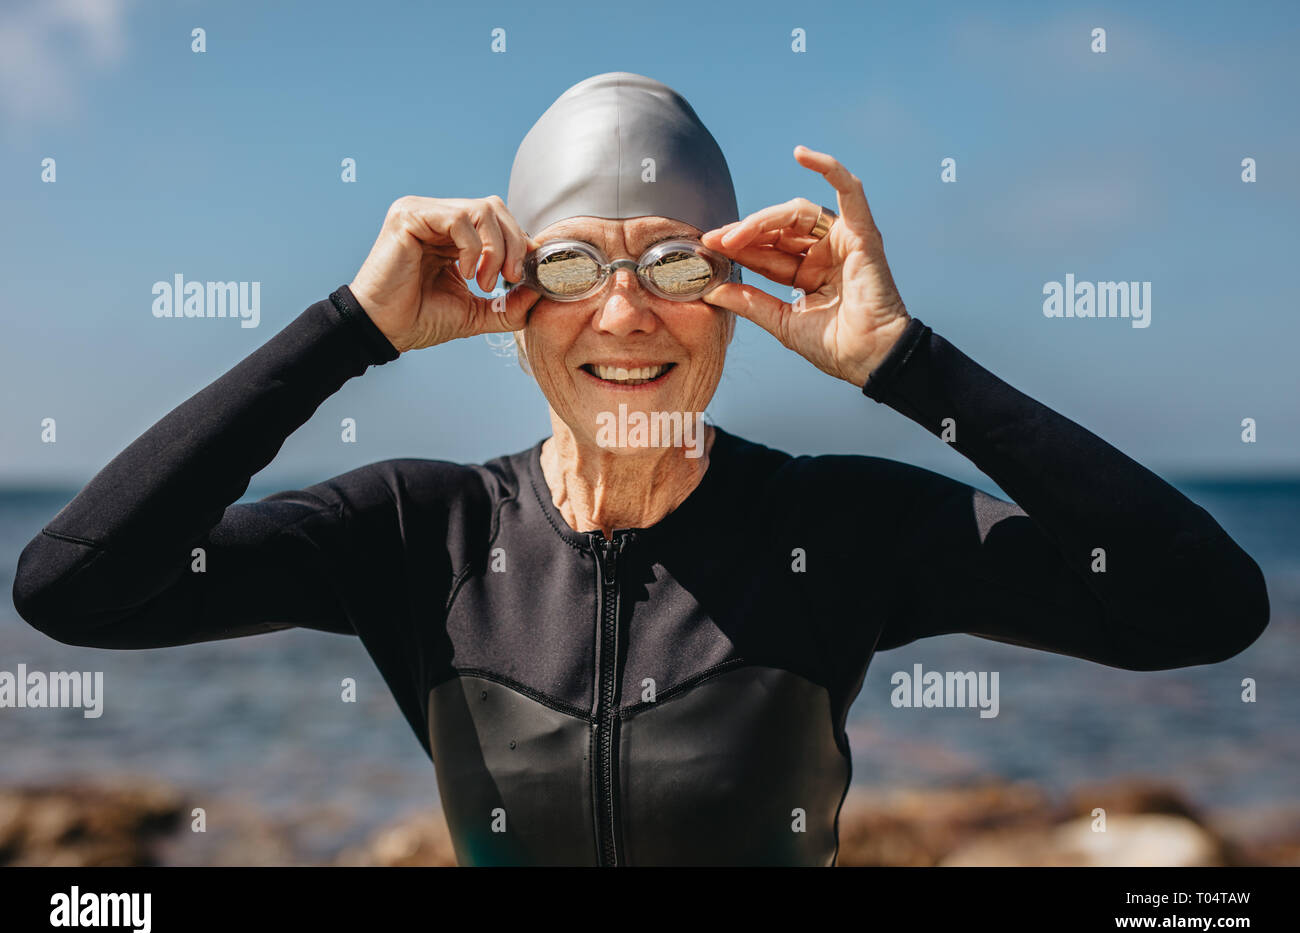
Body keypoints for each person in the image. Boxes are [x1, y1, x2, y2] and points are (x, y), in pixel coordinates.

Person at [12, 72, 1269, 866]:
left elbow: (1202, 607)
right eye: (569, 269)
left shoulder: (836, 529)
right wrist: (351, 329)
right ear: (509, 306)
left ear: (730, 295)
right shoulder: (420, 530)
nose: (623, 316)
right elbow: (75, 584)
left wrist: (903, 361)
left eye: (671, 264)